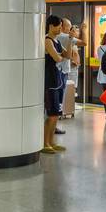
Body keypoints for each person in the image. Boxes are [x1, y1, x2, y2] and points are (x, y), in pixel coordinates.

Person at [42, 15, 66, 155]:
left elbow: (67, 55)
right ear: (51, 26)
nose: (61, 29)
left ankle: (51, 142)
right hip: (49, 82)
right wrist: (61, 56)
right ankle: (45, 143)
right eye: (59, 26)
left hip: (57, 81)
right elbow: (58, 58)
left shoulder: (56, 41)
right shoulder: (47, 40)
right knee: (51, 115)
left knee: (56, 114)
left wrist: (70, 39)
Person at [57, 18, 80, 121]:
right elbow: (83, 42)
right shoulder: (64, 37)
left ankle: (59, 112)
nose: (70, 28)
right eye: (69, 26)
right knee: (60, 91)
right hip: (62, 69)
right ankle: (59, 112)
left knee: (61, 91)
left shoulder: (60, 38)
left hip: (63, 69)